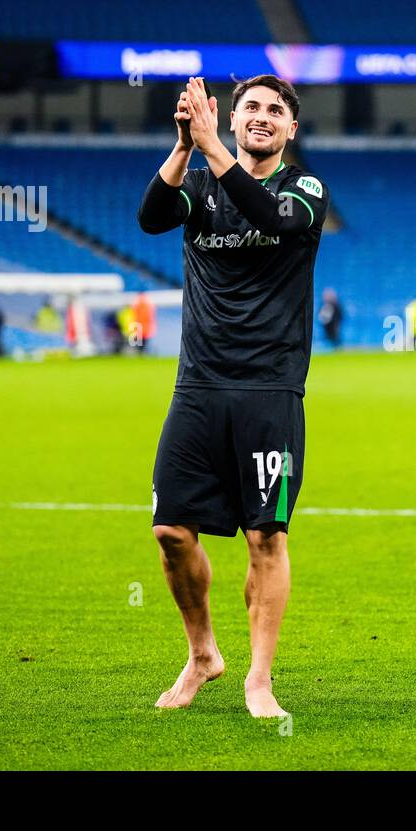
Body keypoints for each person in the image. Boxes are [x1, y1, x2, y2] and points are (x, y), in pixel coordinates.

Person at [137, 74, 330, 717]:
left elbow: (265, 213)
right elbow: (151, 217)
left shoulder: (304, 190)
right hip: (197, 385)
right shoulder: (197, 183)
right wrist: (185, 146)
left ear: (291, 129)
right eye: (251, 107)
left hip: (269, 390)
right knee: (169, 530)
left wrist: (212, 143)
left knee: (264, 537)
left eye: (276, 111)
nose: (262, 117)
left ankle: (259, 679)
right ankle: (203, 655)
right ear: (236, 115)